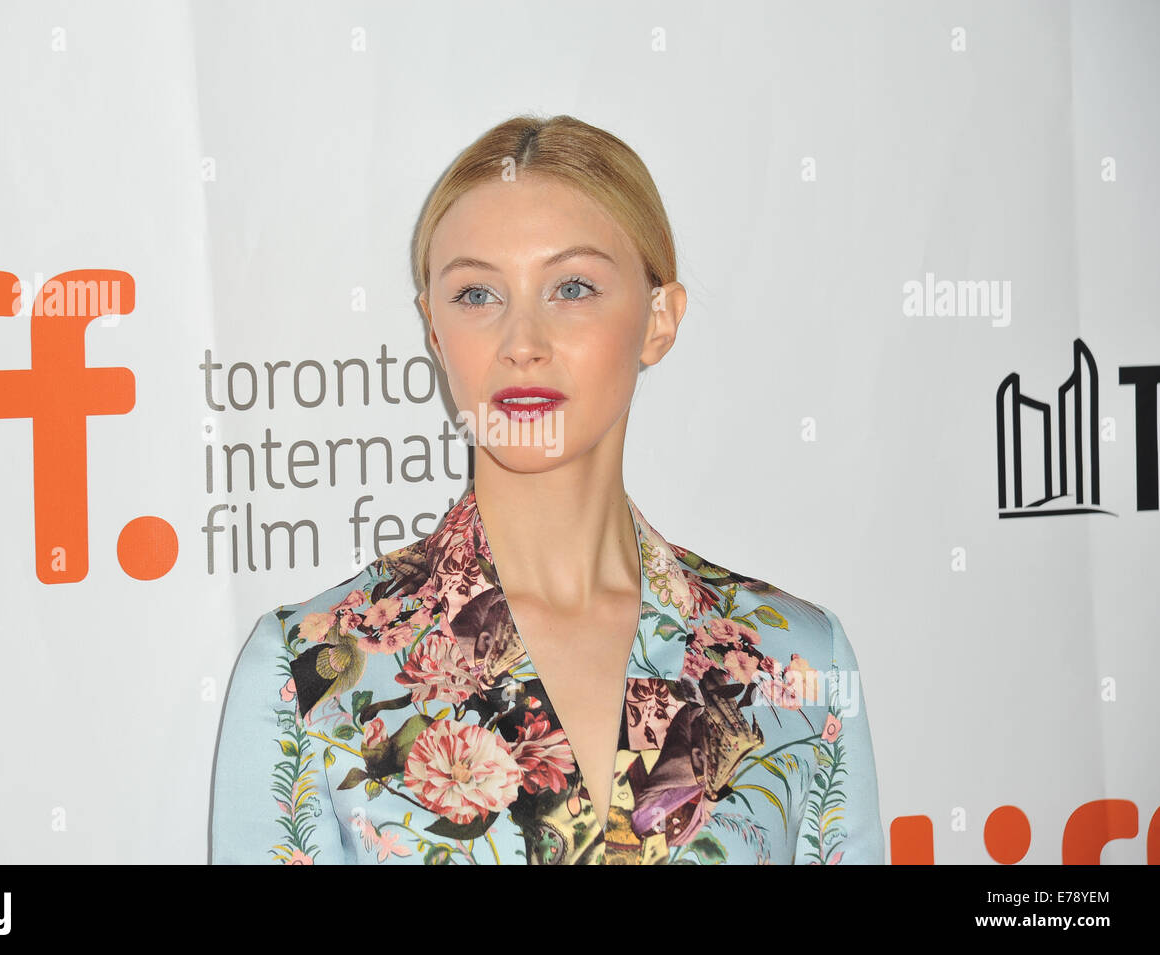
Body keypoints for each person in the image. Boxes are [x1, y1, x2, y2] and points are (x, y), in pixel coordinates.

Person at [210, 113, 884, 865]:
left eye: (571, 286)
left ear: (659, 321)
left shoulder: (792, 658)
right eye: (475, 295)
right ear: (433, 331)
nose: (522, 341)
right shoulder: (311, 671)